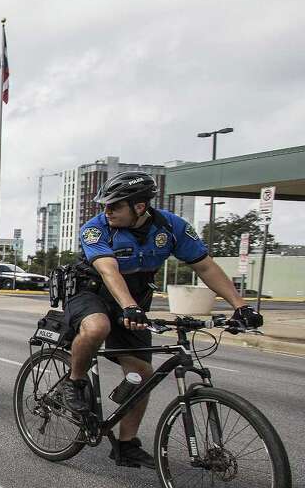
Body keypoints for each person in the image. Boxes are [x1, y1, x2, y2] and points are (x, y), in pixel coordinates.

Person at [61, 171, 262, 468]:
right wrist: (129, 307)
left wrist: (241, 306)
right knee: (98, 326)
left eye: (114, 206)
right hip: (91, 291)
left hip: (134, 301)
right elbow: (109, 271)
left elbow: (205, 267)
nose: (107, 211)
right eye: (105, 206)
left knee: (143, 374)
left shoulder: (171, 227)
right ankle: (75, 383)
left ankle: (126, 445)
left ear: (139, 207)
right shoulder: (97, 228)